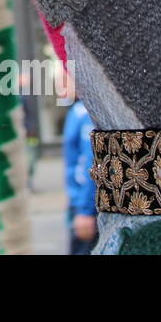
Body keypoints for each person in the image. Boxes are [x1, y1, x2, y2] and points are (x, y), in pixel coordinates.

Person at [63, 95, 97, 254]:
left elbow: (91, 162)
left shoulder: (86, 112)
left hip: (86, 205)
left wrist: (85, 210)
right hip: (78, 202)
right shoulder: (76, 110)